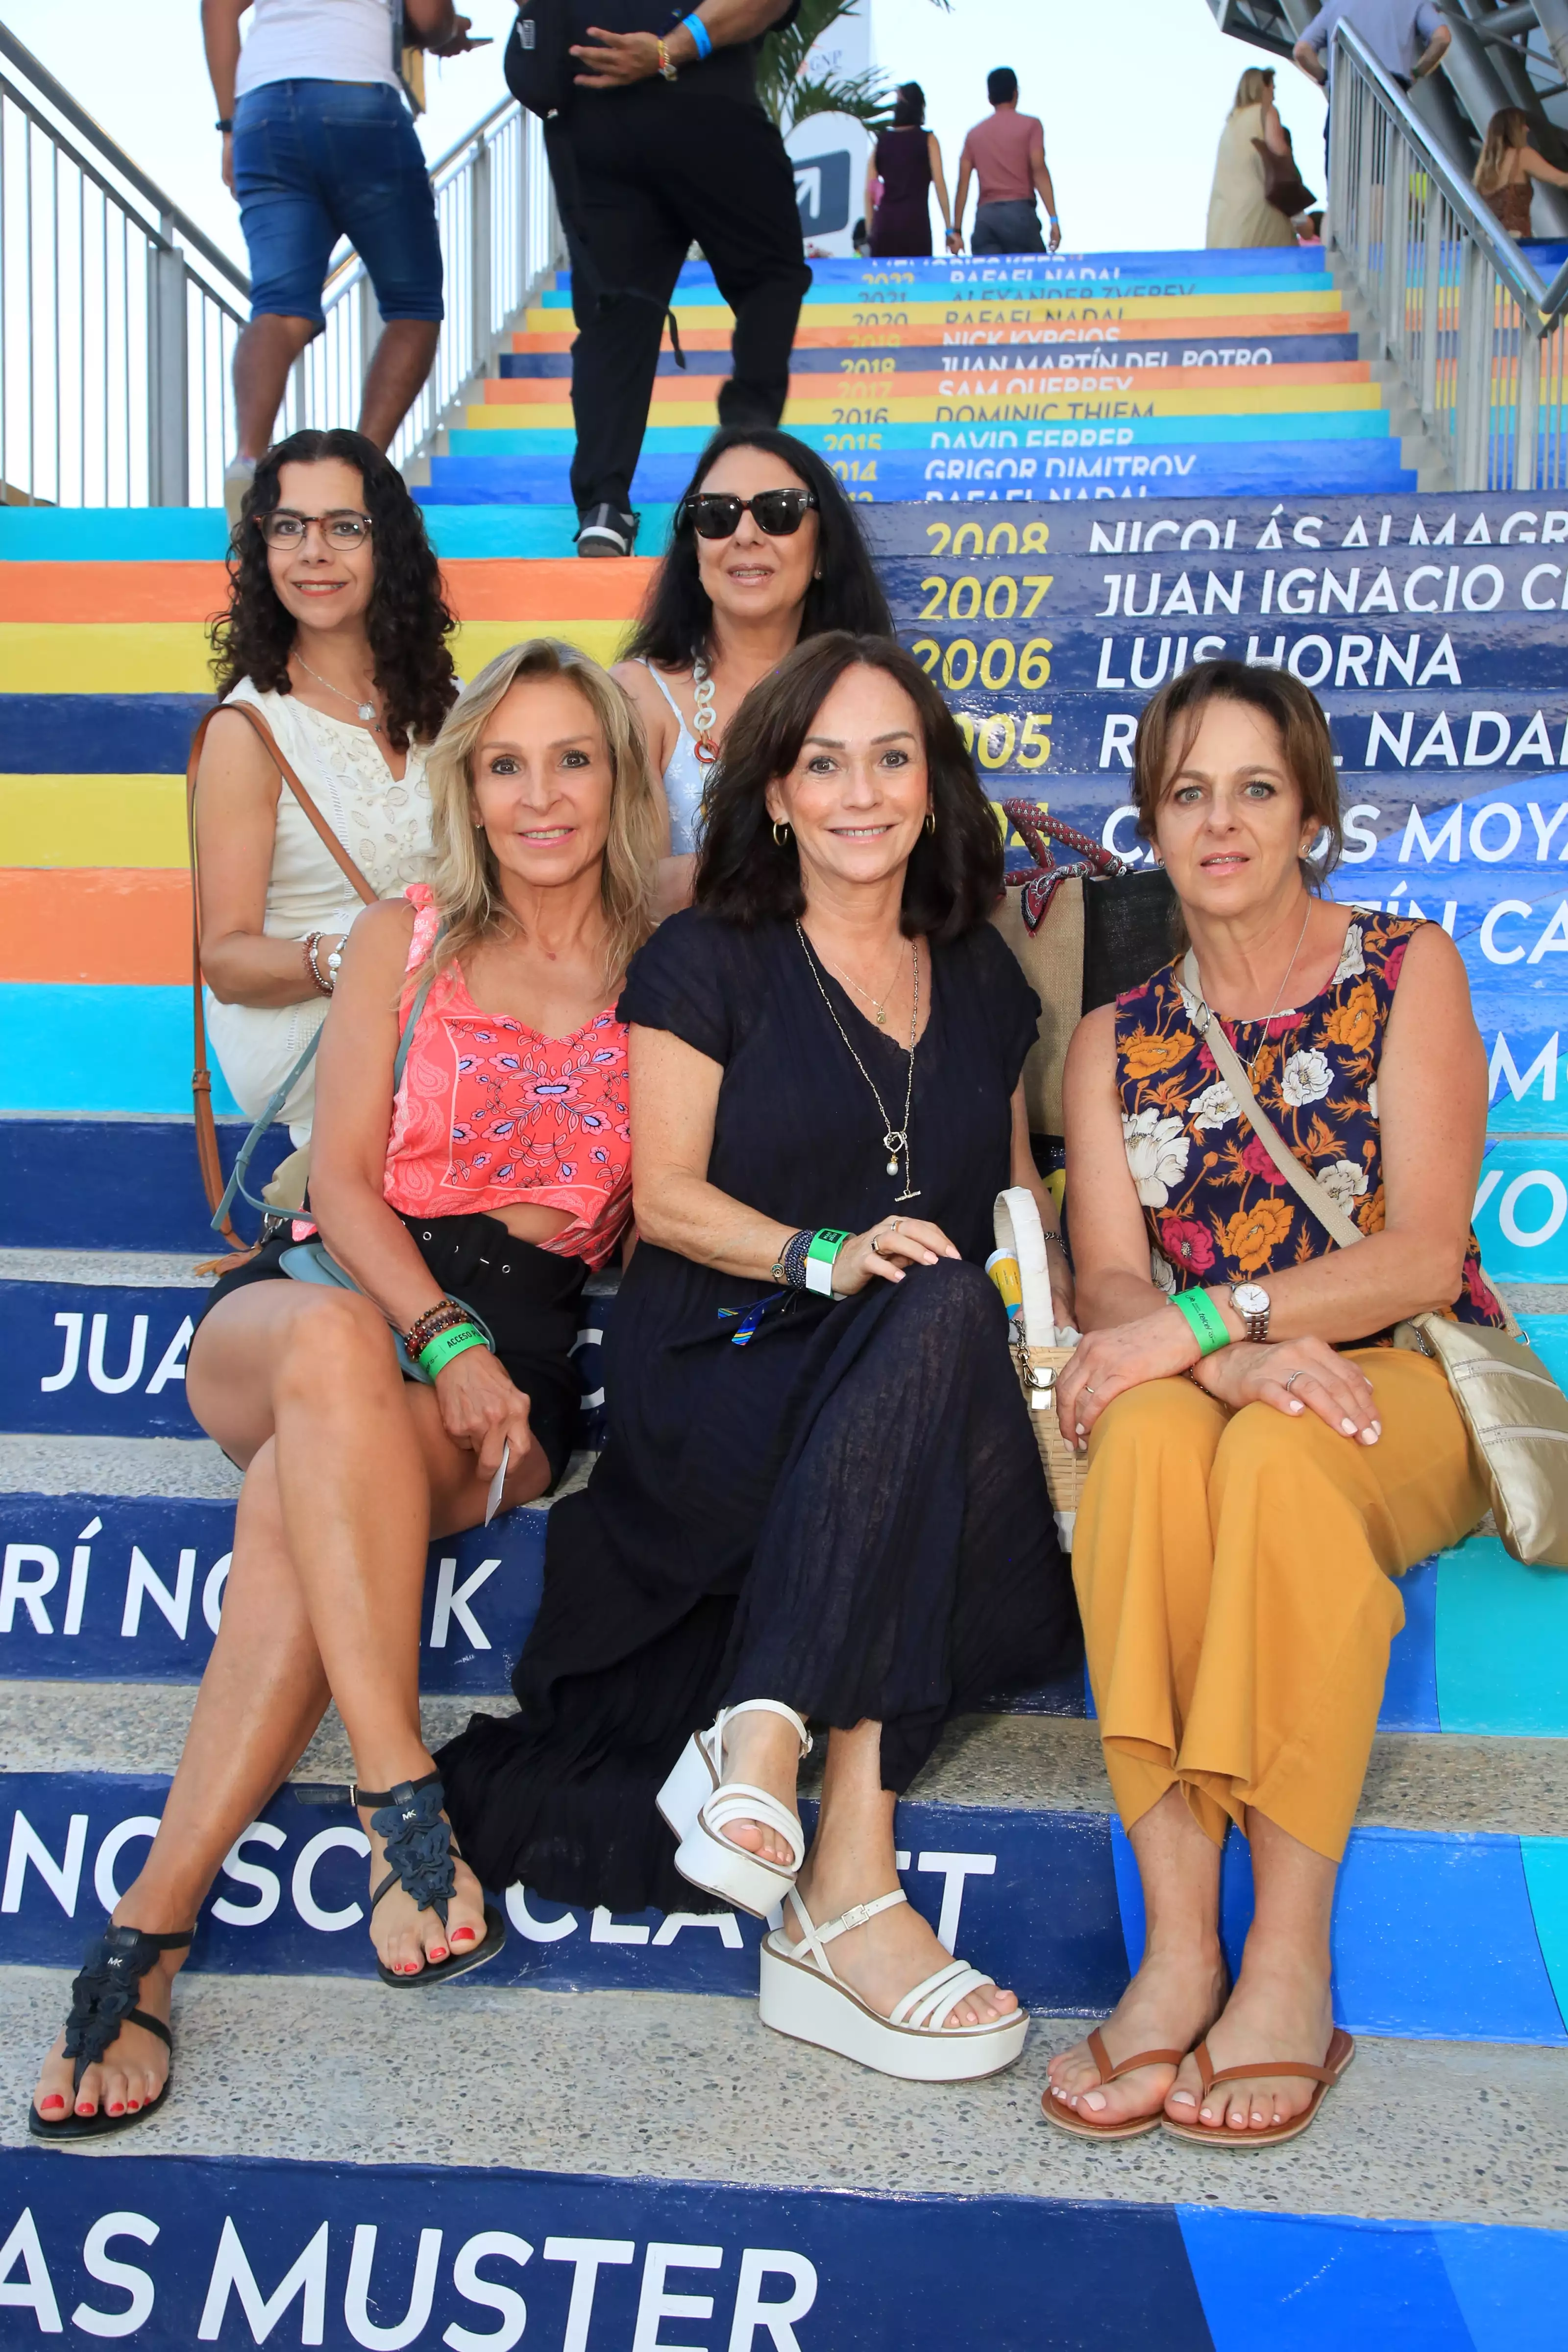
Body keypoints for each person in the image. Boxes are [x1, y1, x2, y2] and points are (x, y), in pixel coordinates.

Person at [28, 639, 663, 2141]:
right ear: (468, 787)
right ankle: (399, 1790)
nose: (540, 793)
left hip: (516, 1349)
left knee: (291, 1506)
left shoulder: (675, 949)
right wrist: (437, 1336)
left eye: (572, 757)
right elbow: (347, 1185)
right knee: (324, 1366)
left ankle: (152, 1925)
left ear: (620, 777)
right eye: (505, 763)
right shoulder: (408, 933)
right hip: (332, 1292)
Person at [438, 634, 1080, 2082]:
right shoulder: (707, 953)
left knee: (939, 1309)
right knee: (917, 1299)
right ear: (775, 794)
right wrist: (820, 1252)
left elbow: (1010, 1195)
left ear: (931, 784)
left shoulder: (976, 968)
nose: (861, 791)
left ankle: (777, 1755)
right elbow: (663, 1196)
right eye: (823, 762)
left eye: (892, 757)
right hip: (726, 1366)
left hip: (913, 1380)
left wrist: (1056, 1353)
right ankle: (844, 1878)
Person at [1043, 660, 1503, 2146]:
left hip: (1401, 1373)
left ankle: (1287, 1959)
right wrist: (1215, 1355)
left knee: (1282, 1464)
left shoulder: (1404, 965)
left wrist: (1217, 1318)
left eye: (1254, 788)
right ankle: (1180, 1946)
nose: (1221, 822)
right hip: (1217, 1369)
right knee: (1155, 1436)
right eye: (1187, 793)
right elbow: (1107, 1283)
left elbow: (1420, 1251)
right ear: (1149, 823)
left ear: (1309, 811)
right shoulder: (1115, 1042)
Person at [198, 428, 458, 1158]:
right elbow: (225, 960)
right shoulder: (250, 728)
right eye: (288, 528)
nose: (314, 552)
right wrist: (357, 961)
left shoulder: (457, 707)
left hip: (441, 997)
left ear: (391, 547)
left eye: (344, 527)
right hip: (309, 1015)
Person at [538, 1, 811, 558]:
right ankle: (742, 447)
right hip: (705, 108)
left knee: (617, 313)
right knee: (771, 274)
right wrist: (668, 50)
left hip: (596, 122)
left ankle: (603, 508)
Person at [202, 1, 488, 520]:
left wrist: (229, 123)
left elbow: (217, 7)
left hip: (262, 112)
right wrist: (445, 33)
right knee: (413, 305)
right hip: (358, 100)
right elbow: (429, 17)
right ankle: (360, 471)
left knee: (279, 306)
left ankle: (248, 460)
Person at [614, 426, 893, 881]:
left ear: (822, 552)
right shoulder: (637, 695)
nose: (745, 535)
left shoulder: (878, 694)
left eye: (778, 512)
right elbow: (638, 893)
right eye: (718, 515)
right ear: (696, 552)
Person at [1294, 0, 1449, 168]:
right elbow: (1442, 38)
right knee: (1387, 170)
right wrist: (1417, 73)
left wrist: (1326, 77)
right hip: (1390, 92)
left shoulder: (1336, 4)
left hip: (1344, 97)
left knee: (1341, 171)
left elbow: (1302, 51)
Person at [950, 68, 1060, 258]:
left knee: (989, 284)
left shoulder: (974, 134)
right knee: (1032, 281)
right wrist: (1054, 219)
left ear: (990, 97)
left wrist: (956, 230)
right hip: (1021, 215)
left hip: (986, 218)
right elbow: (1039, 169)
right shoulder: (1031, 126)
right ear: (1016, 93)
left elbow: (963, 184)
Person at [1207, 68, 1298, 251]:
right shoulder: (1266, 112)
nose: (1274, 96)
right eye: (1273, 89)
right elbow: (1279, 150)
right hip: (1259, 208)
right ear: (1262, 88)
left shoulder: (1231, 122)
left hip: (1226, 215)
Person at [865, 83, 954, 259]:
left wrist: (870, 231)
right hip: (916, 225)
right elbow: (940, 185)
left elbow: (870, 191)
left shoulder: (882, 142)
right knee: (918, 284)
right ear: (921, 108)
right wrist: (949, 229)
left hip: (885, 226)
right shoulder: (928, 140)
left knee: (884, 284)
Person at [1474, 107, 1568, 239]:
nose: (1527, 129)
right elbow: (1561, 180)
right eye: (1523, 125)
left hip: (1491, 243)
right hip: (1518, 242)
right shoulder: (1522, 155)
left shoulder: (1484, 168)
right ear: (1513, 129)